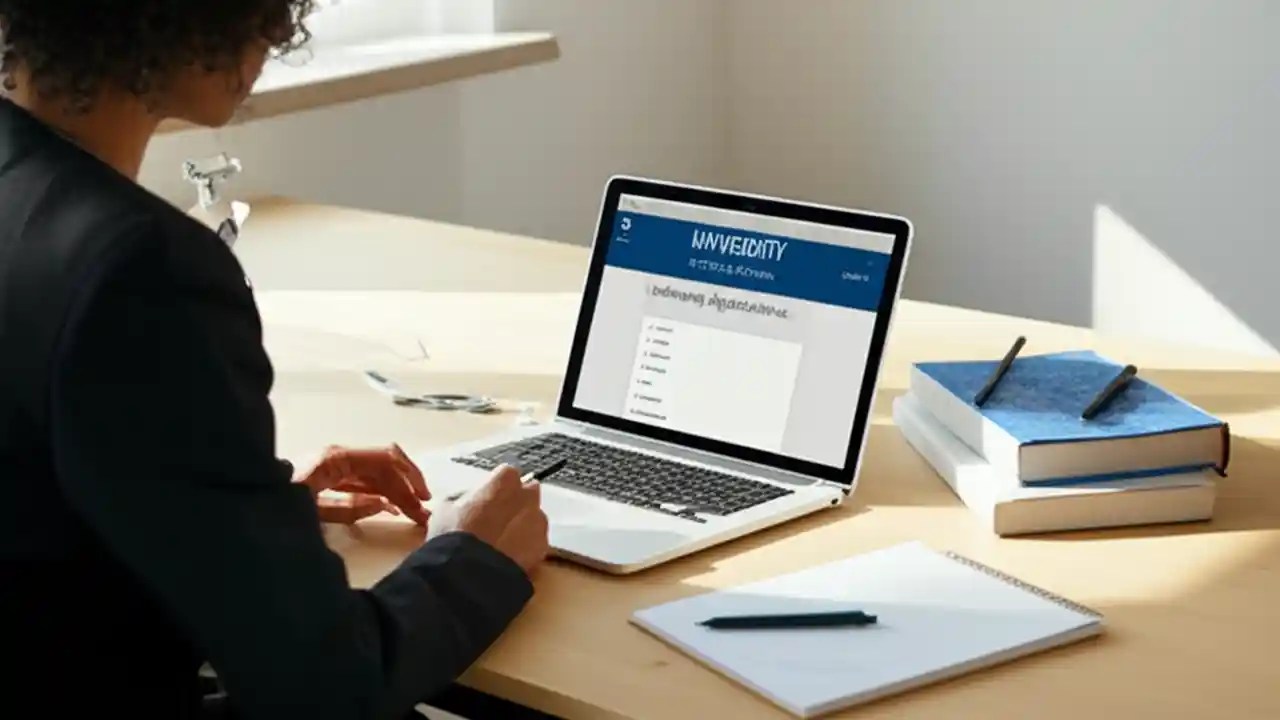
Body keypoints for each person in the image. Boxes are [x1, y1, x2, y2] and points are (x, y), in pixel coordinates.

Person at [0, 2, 550, 718]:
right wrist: (471, 559)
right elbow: (322, 684)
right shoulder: (142, 270)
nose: (279, 30)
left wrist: (243, 515)